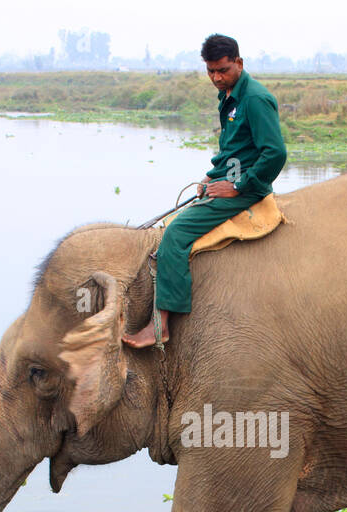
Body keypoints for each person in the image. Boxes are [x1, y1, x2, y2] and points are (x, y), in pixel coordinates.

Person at [122, 34, 287, 349]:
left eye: (222, 70)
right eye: (211, 71)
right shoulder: (229, 95)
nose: (216, 77)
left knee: (177, 234)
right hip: (227, 180)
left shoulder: (255, 98)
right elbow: (233, 148)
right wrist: (211, 177)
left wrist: (237, 187)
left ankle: (161, 324)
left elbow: (275, 153)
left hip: (246, 189)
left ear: (239, 62)